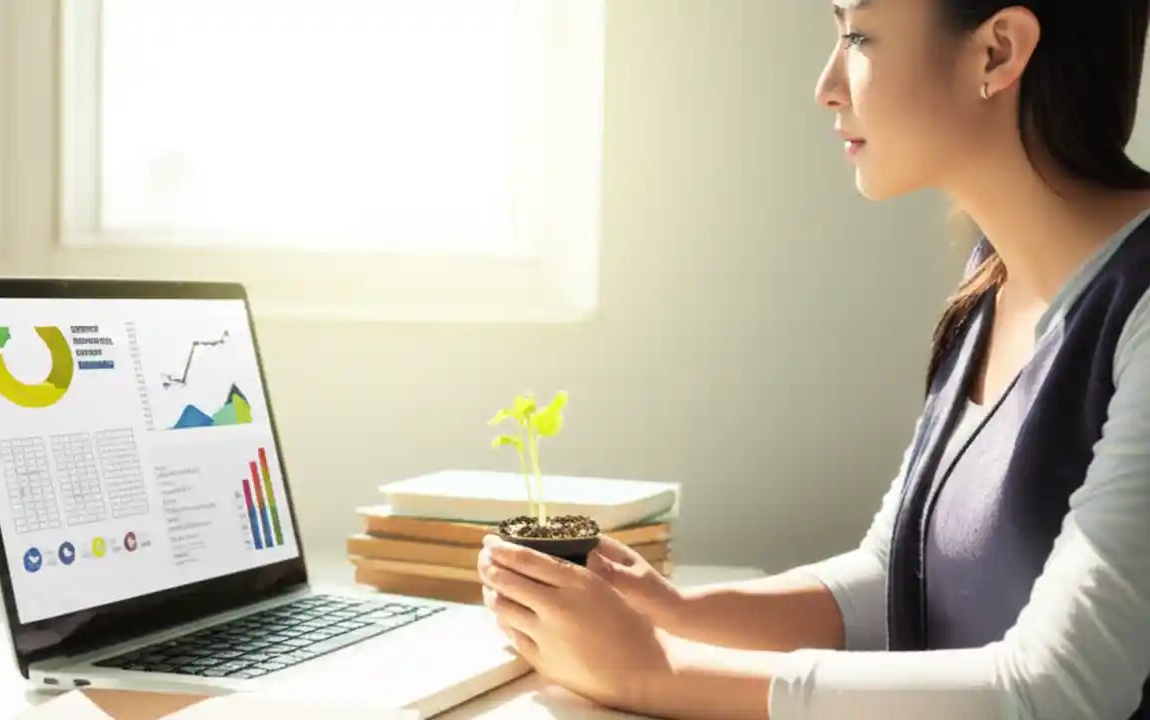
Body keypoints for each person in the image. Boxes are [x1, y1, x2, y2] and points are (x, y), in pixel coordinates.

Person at [476, 0, 1150, 717]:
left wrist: (654, 669)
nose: (826, 84)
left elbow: (1059, 691)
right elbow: (897, 576)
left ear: (997, 53)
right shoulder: (995, 276)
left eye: (858, 35)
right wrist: (671, 612)